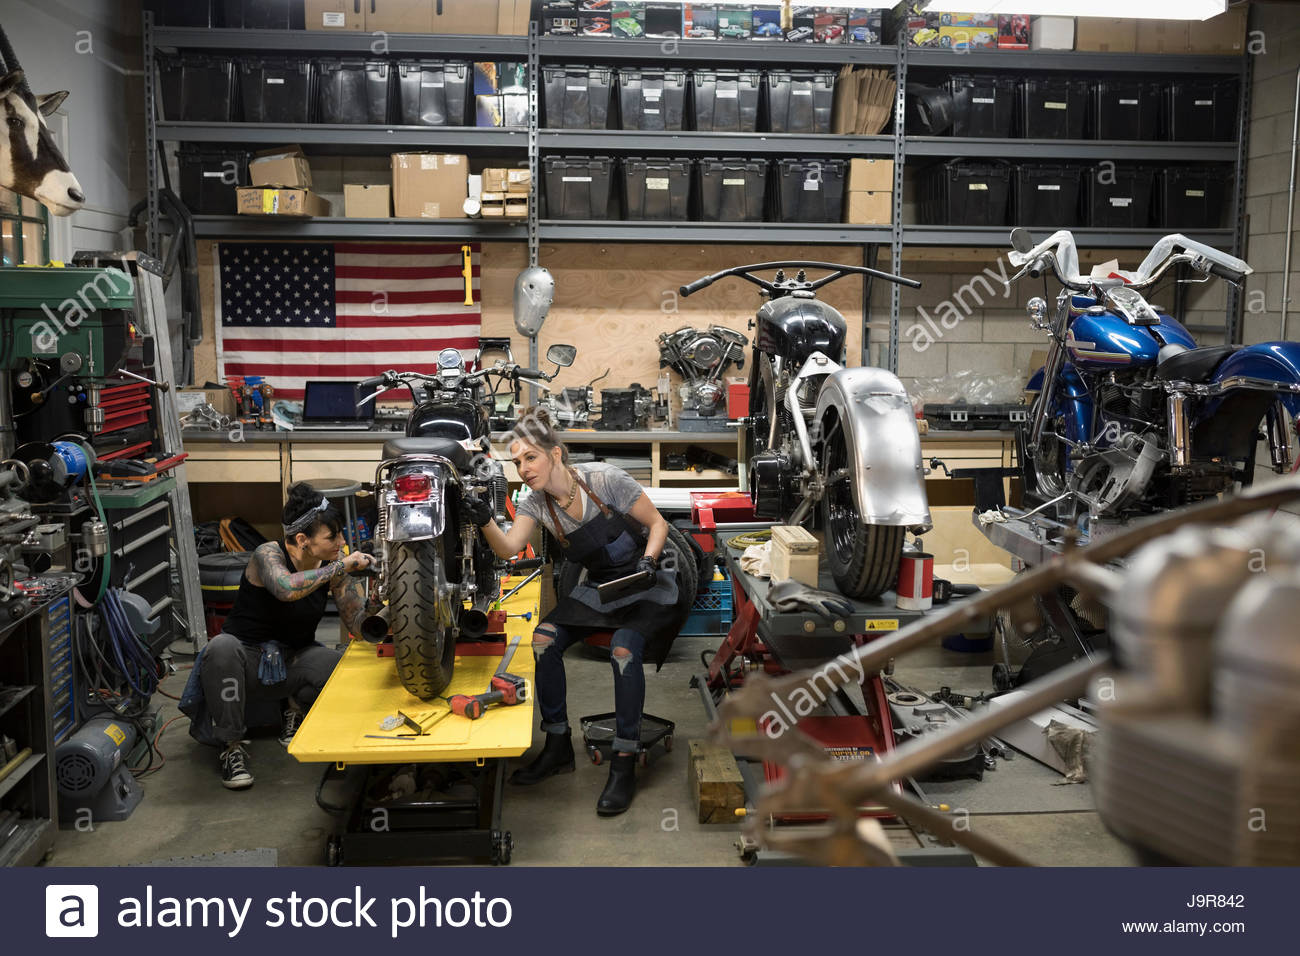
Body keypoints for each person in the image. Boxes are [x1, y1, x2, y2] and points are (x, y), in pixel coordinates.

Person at [464, 407, 688, 816]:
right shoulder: (535, 504)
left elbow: (658, 525)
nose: (524, 468)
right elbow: (509, 549)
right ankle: (557, 745)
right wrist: (483, 520)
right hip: (603, 586)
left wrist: (650, 562)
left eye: (531, 457)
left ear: (556, 454)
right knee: (544, 639)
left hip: (650, 580)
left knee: (623, 649)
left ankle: (623, 761)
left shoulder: (605, 480)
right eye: (517, 462)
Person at [195, 483, 375, 790]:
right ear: (303, 539)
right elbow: (286, 588)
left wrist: (386, 602)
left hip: (294, 658)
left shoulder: (334, 565)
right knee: (220, 647)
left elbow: (357, 625)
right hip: (246, 661)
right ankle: (231, 747)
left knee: (345, 666)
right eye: (333, 537)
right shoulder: (267, 555)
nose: (342, 543)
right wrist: (340, 566)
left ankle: (294, 710)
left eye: (341, 535)